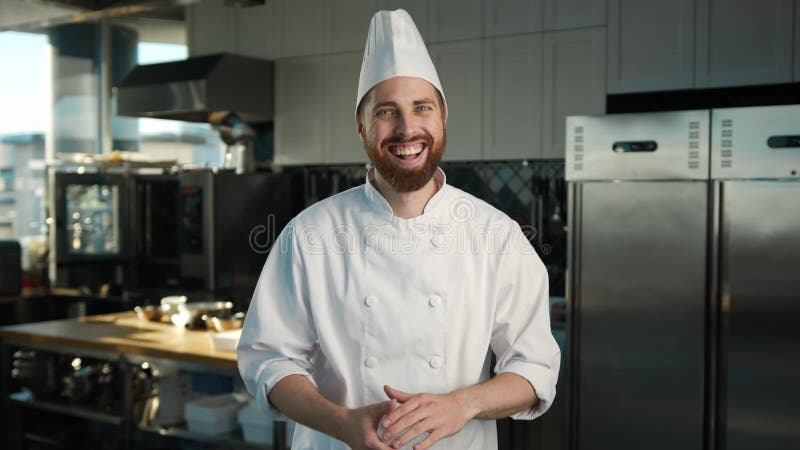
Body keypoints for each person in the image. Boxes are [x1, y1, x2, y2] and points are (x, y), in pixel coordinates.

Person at [238, 9, 560, 450]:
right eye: (387, 112)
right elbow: (268, 358)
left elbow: (536, 367)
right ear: (361, 126)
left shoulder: (496, 235)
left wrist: (462, 404)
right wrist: (341, 423)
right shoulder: (309, 234)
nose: (408, 129)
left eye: (421, 108)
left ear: (443, 116)